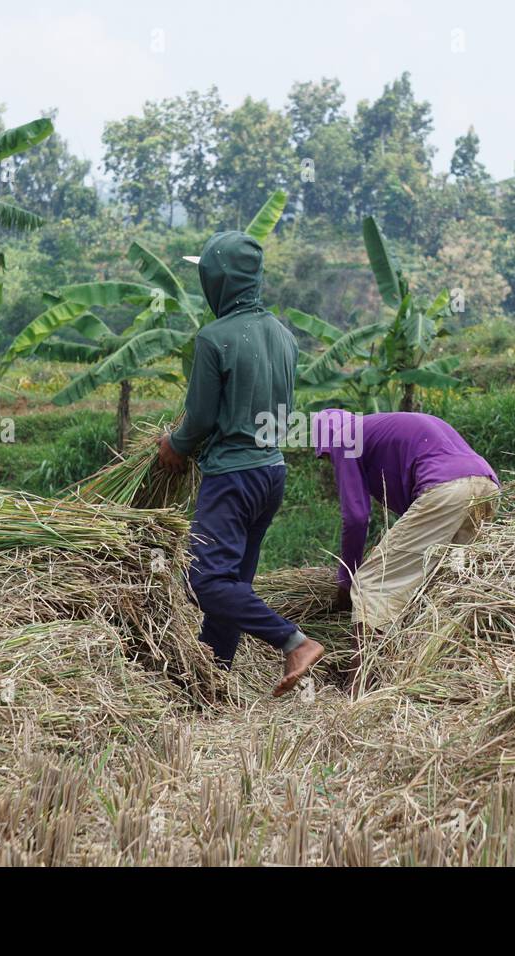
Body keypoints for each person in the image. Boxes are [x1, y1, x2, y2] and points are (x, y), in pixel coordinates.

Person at [156, 230, 324, 697]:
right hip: (271, 473)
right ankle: (212, 687)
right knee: (231, 588)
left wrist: (175, 444)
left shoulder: (214, 338)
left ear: (219, 281)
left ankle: (294, 641)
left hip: (231, 476)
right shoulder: (285, 337)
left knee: (205, 582)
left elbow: (202, 418)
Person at [312, 409, 499, 682]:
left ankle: (361, 684)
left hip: (446, 488)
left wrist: (347, 578)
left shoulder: (343, 438)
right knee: (445, 581)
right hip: (486, 484)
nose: (332, 463)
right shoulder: (382, 428)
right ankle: (448, 670)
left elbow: (356, 517)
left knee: (374, 582)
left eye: (327, 457)